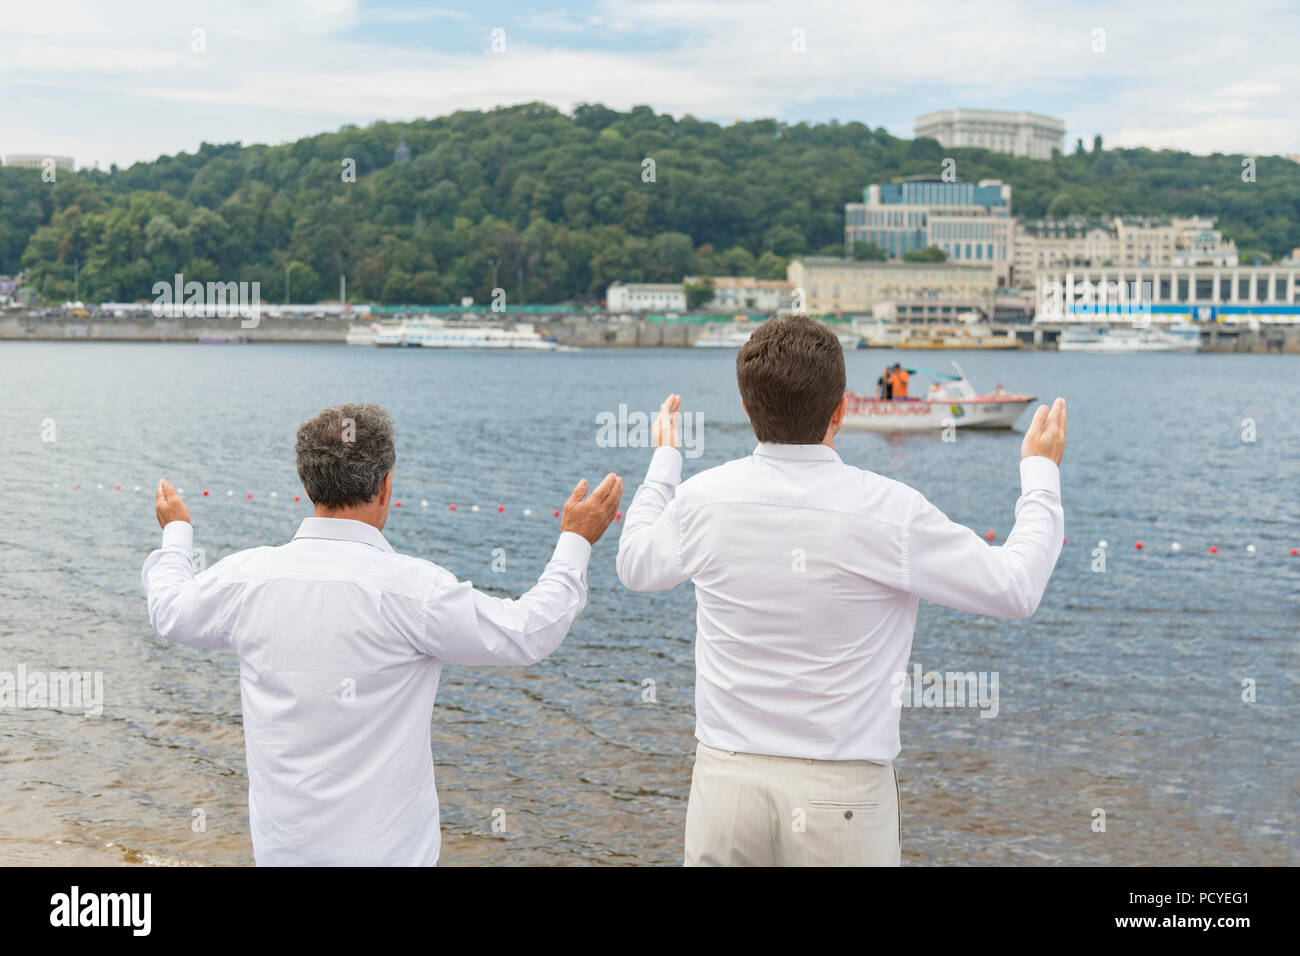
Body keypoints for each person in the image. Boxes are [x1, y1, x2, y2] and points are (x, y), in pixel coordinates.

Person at [616, 315, 1065, 867]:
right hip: (842, 793)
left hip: (726, 785)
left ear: (746, 407)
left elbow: (634, 565)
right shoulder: (890, 511)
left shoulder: (702, 500)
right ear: (842, 410)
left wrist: (665, 463)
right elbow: (1015, 589)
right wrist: (1041, 476)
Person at [141, 403, 622, 865]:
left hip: (282, 853)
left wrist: (177, 533)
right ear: (386, 486)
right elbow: (528, 632)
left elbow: (168, 610)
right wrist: (576, 541)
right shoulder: (415, 591)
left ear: (307, 484)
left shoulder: (245, 579)